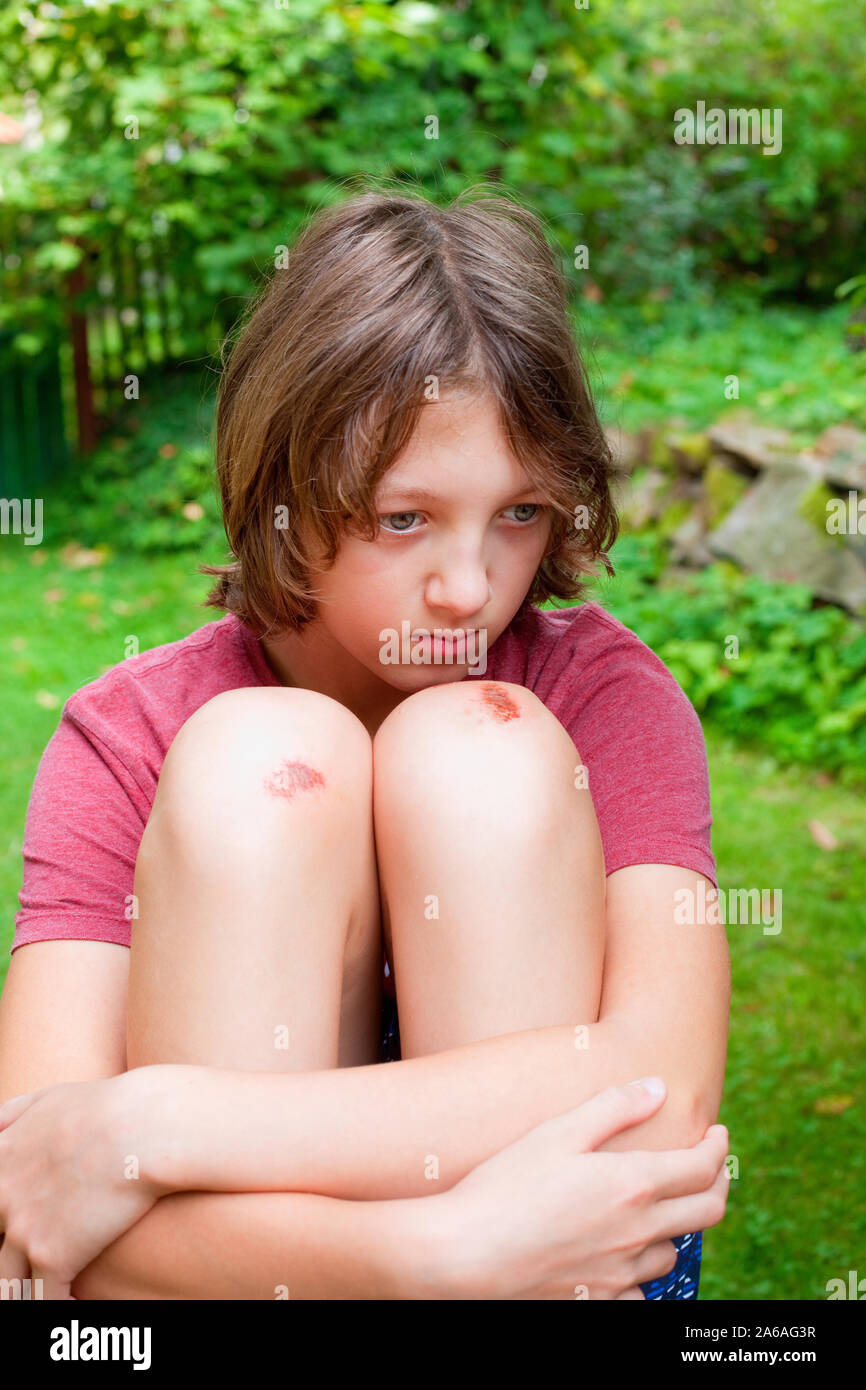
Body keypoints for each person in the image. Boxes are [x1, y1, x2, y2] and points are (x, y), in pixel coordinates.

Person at [0, 184, 730, 1301]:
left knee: (474, 744)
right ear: (284, 482)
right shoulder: (129, 731)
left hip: (570, 1275)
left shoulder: (602, 695)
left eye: (520, 514)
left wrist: (154, 1124)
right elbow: (39, 1199)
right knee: (263, 760)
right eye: (404, 517)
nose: (468, 586)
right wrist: (433, 1257)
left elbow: (657, 1100)